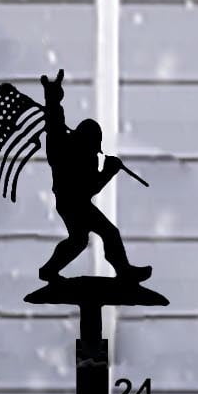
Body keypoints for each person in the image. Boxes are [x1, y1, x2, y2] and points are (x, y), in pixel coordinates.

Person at [37, 68, 150, 285]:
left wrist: (106, 171)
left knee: (84, 238)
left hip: (76, 203)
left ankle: (50, 270)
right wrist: (108, 172)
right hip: (71, 203)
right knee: (95, 235)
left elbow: (90, 186)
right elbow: (89, 188)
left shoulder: (85, 156)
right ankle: (123, 271)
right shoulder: (63, 150)